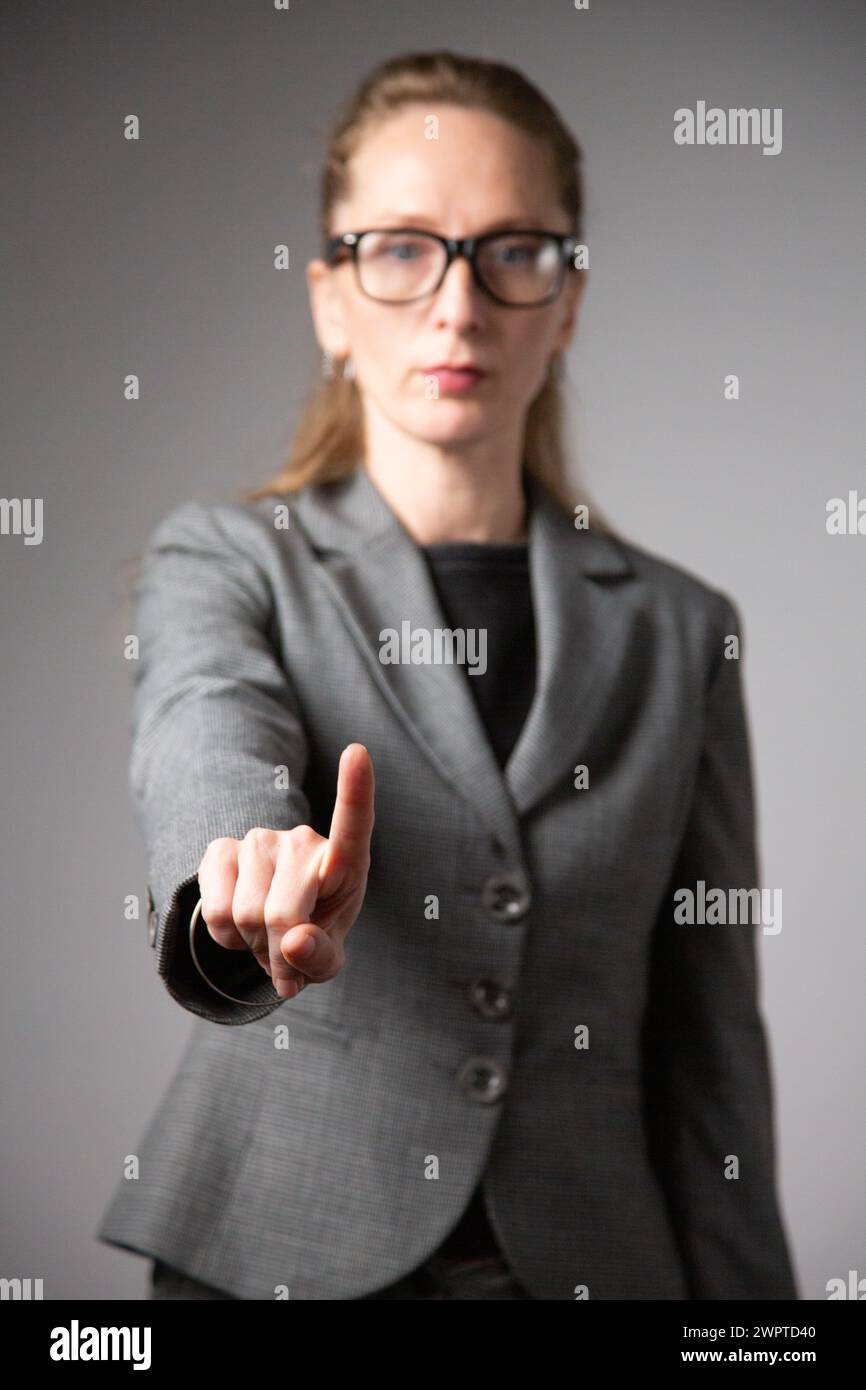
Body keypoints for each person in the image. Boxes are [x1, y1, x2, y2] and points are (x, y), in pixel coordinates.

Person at [96, 49, 798, 1301]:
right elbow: (203, 722)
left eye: (512, 251)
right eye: (402, 247)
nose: (457, 306)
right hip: (275, 1261)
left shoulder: (682, 632)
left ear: (568, 300)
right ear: (328, 299)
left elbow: (710, 1044)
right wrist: (239, 866)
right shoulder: (228, 557)